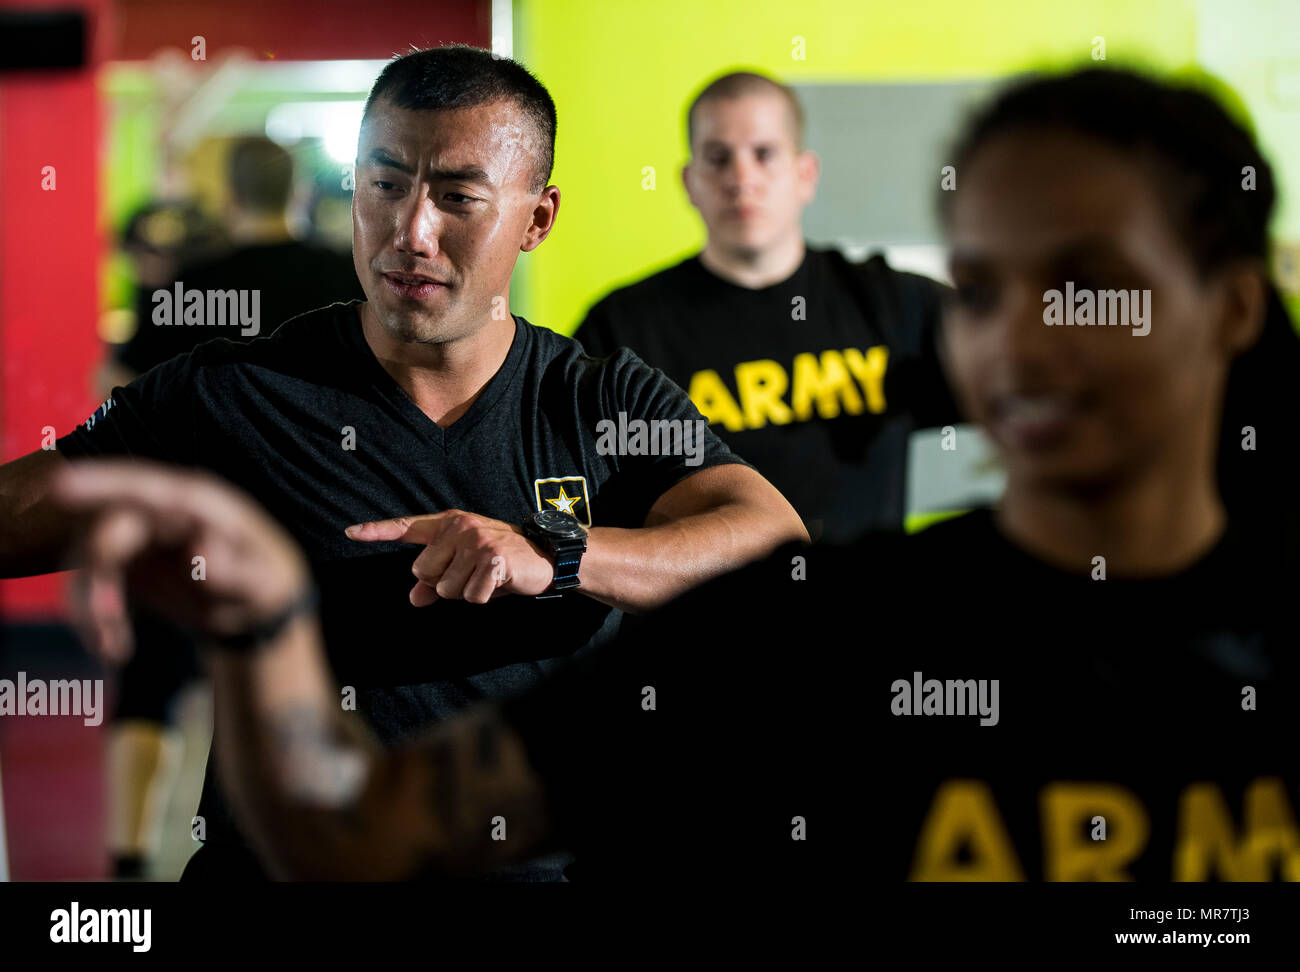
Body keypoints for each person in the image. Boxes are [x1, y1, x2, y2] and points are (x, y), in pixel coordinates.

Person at [53, 66, 1300, 884]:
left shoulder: (607, 401)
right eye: (978, 290)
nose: (1018, 340)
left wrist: (566, 552)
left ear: (1235, 306)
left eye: (1085, 284)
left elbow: (751, 521)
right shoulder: (793, 635)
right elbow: (357, 840)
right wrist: (264, 619)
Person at [0, 44, 807, 883]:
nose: (410, 232)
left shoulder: (598, 399)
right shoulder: (229, 393)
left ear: (537, 219)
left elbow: (772, 541)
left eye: (459, 196)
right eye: (385, 184)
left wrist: (558, 551)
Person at [574, 71, 958, 543]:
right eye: (718, 158)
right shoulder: (622, 328)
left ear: (805, 175)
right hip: (692, 612)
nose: (741, 179)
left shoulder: (898, 305)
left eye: (764, 154)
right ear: (690, 182)